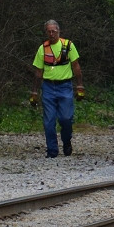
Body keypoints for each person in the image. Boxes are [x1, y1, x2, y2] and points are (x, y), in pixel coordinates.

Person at [30, 20, 85, 158]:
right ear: (46, 32)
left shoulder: (68, 46)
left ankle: (66, 141)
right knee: (48, 121)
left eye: (54, 31)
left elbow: (76, 66)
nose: (51, 33)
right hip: (48, 87)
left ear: (59, 31)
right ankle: (52, 150)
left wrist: (80, 86)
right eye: (49, 31)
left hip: (65, 86)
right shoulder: (42, 49)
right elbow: (38, 72)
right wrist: (34, 92)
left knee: (66, 118)